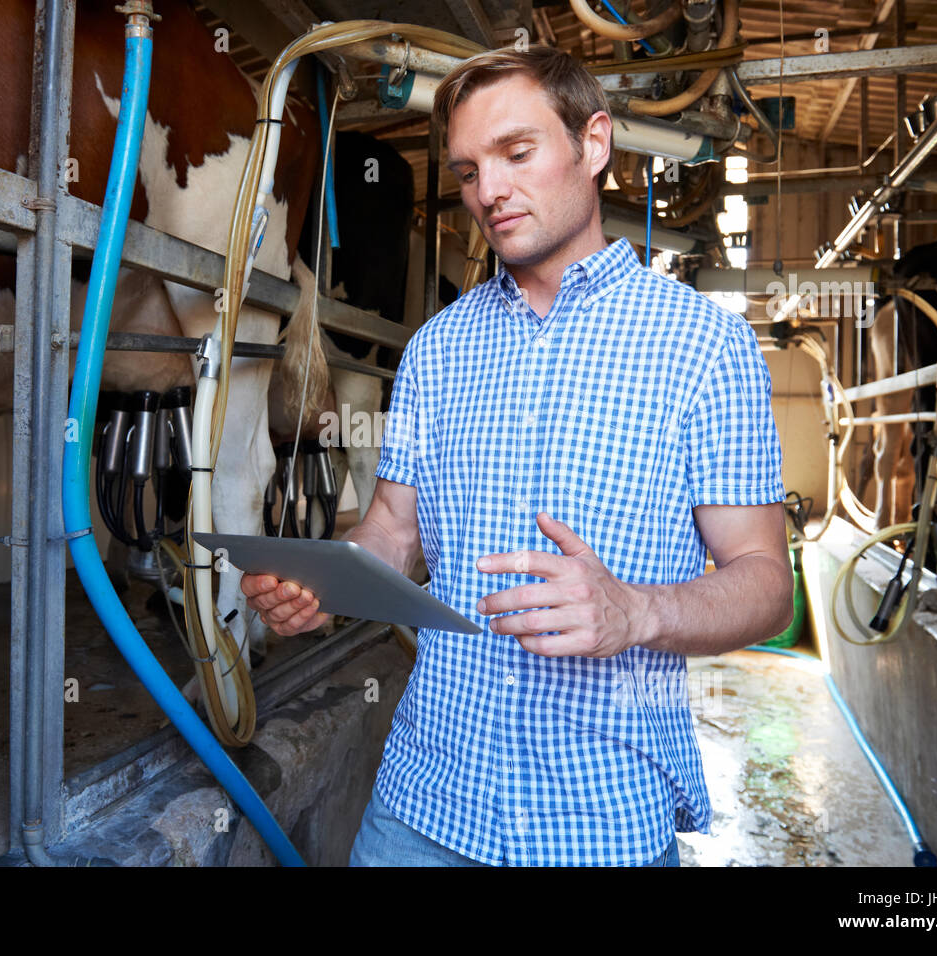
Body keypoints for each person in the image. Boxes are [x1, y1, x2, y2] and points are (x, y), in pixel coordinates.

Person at [241, 45, 793, 867]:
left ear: (594, 144)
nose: (488, 191)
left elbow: (765, 582)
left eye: (517, 153)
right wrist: (324, 581)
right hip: (422, 807)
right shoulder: (436, 348)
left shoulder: (704, 345)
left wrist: (636, 612)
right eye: (467, 171)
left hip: (599, 822)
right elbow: (394, 532)